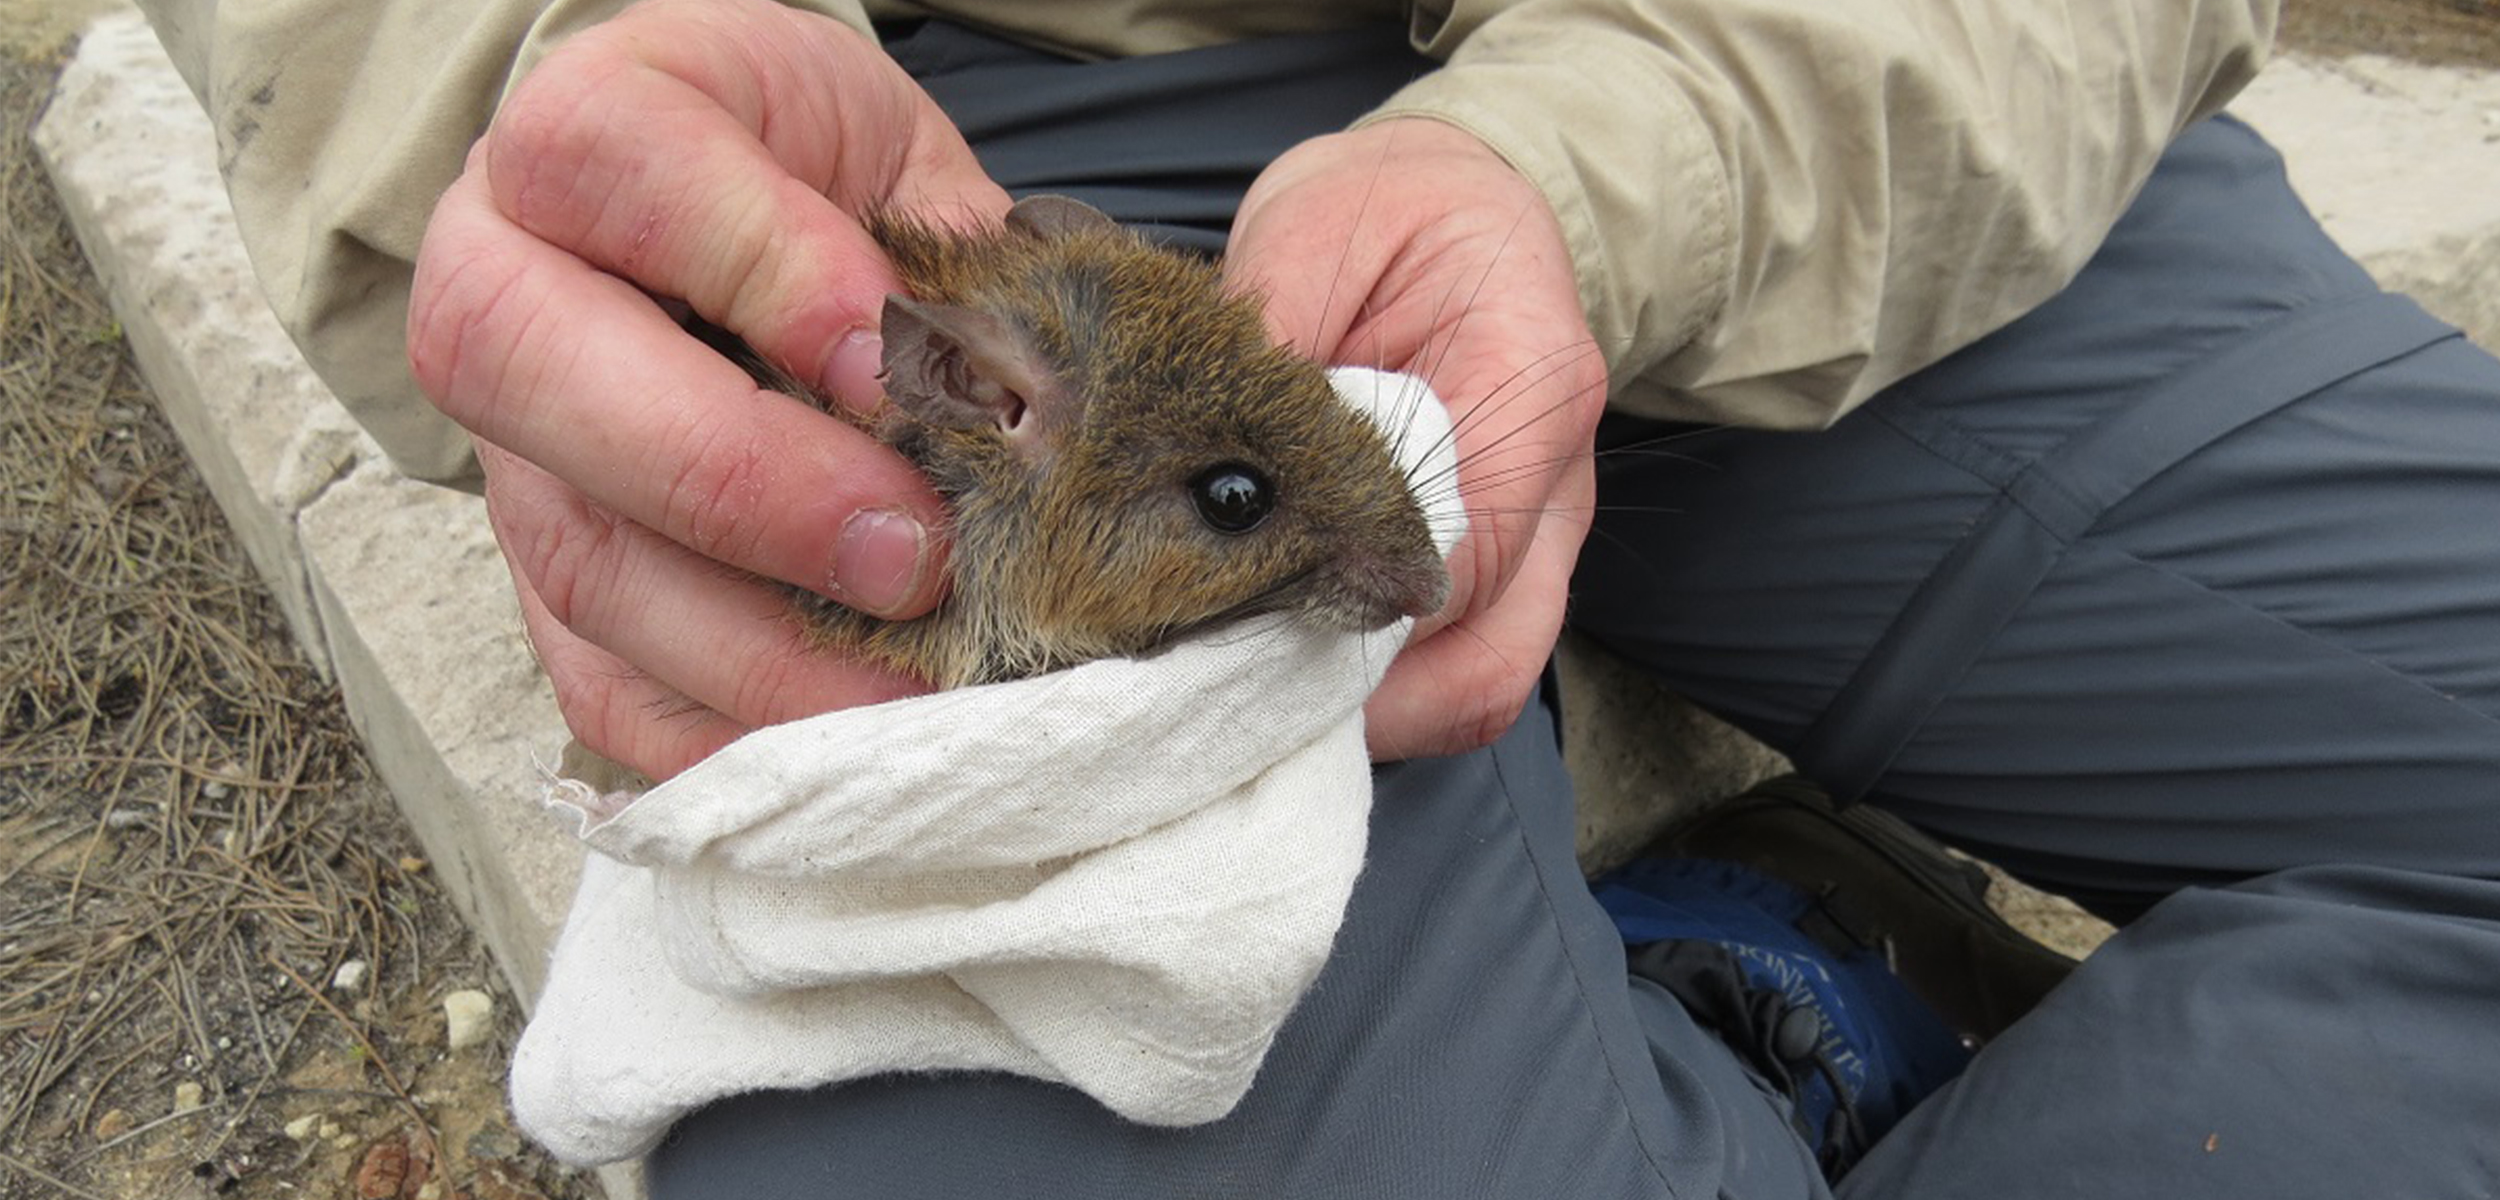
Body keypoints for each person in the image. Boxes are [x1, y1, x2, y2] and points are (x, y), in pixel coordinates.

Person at [141, 0, 2500, 1195]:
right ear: (968, 407)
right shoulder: (949, 392)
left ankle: (1744, 1015)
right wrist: (588, 134)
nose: (1391, 562)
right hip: (929, 115)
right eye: (1272, 506)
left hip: (1817, 89)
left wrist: (1607, 171)